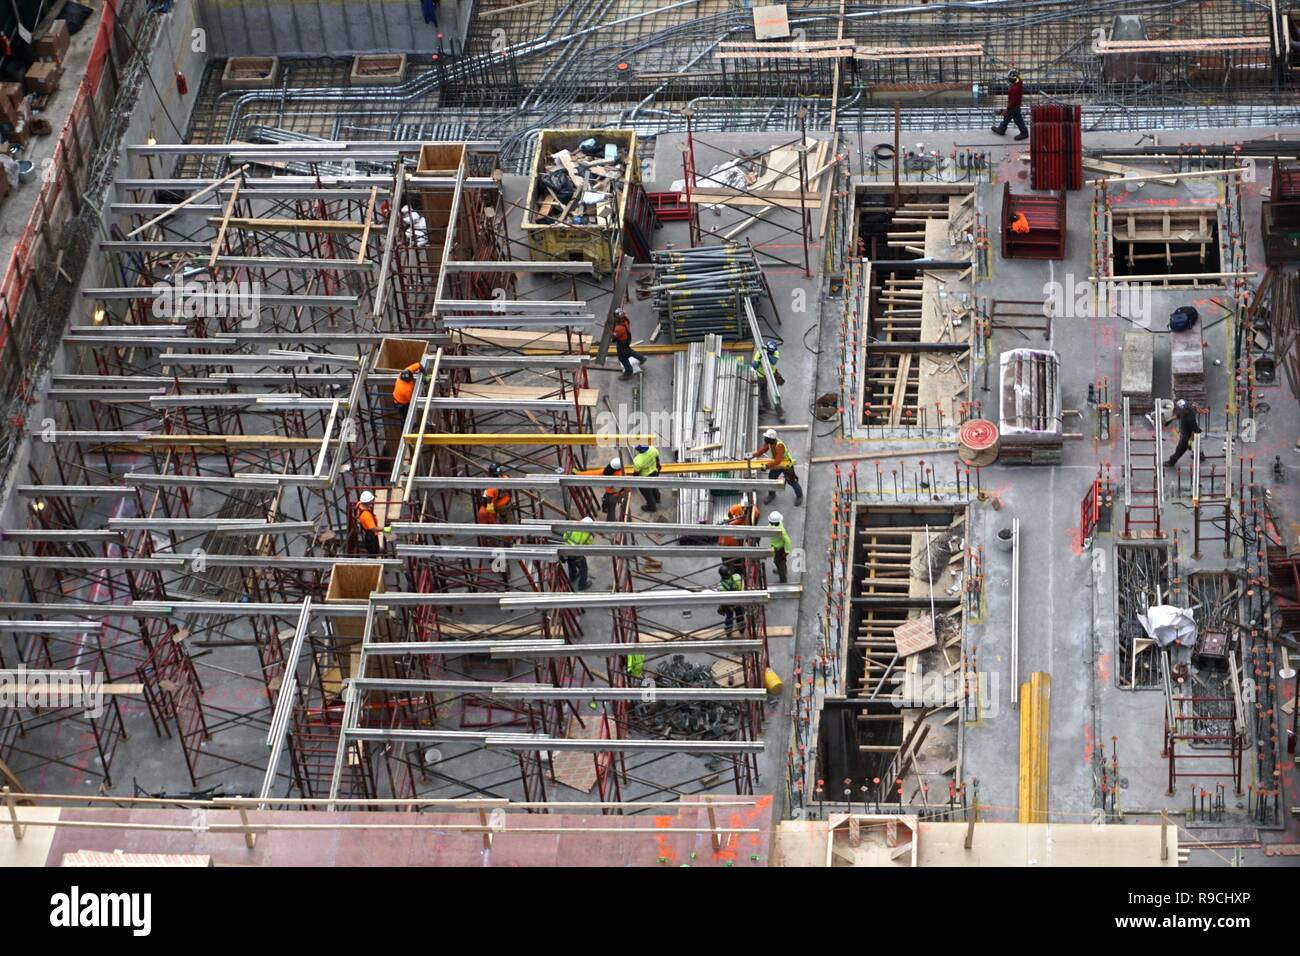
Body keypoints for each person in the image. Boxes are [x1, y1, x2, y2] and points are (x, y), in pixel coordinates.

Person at [751, 428, 803, 506]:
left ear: (771, 439)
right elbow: (763, 449)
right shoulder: (769, 442)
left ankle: (799, 496)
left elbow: (778, 460)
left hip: (786, 465)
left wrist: (766, 466)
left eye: (767, 438)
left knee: (791, 481)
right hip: (776, 465)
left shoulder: (779, 445)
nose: (765, 439)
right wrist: (752, 455)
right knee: (771, 479)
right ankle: (772, 494)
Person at [1164, 398, 1203, 468]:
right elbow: (1178, 415)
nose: (1178, 411)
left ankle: (1171, 461)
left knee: (1180, 449)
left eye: (1180, 410)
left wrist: (1190, 440)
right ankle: (1201, 455)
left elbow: (1195, 430)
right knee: (1195, 446)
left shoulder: (1190, 418)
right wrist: (1169, 420)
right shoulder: (1184, 411)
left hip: (1188, 435)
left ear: (1185, 410)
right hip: (1185, 431)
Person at [611, 308, 648, 381]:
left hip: (622, 342)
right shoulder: (625, 319)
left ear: (618, 318)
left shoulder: (618, 328)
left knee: (622, 358)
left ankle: (629, 373)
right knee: (629, 351)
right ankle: (641, 358)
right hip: (627, 338)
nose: (614, 318)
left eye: (615, 317)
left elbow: (613, 337)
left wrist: (610, 332)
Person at [991, 69, 1028, 141]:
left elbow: (1012, 101)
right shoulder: (1019, 84)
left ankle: (1024, 133)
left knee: (1017, 120)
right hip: (1015, 106)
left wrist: (1007, 109)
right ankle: (1002, 128)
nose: (1008, 80)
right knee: (1008, 117)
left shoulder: (1014, 89)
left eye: (1009, 78)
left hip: (1014, 107)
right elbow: (1020, 79)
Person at [562, 516, 595, 590]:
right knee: (584, 568)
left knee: (571, 564)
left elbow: (564, 537)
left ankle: (572, 577)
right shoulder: (589, 536)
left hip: (567, 551)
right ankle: (582, 585)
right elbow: (586, 548)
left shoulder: (572, 528)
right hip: (577, 555)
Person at [752, 339, 782, 411]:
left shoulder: (775, 353)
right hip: (762, 376)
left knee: (775, 390)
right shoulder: (759, 353)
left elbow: (773, 361)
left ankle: (778, 407)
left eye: (772, 351)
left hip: (772, 373)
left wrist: (767, 354)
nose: (772, 352)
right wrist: (758, 361)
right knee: (763, 391)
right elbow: (754, 366)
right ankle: (767, 405)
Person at [631, 443, 662, 512]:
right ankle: (657, 498)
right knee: (654, 486)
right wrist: (658, 468)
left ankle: (652, 507)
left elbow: (636, 473)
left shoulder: (637, 460)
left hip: (645, 478)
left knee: (647, 493)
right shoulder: (653, 449)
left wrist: (634, 481)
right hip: (654, 472)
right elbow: (657, 460)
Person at [716, 565, 745, 636]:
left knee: (729, 618)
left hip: (728, 605)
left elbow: (721, 598)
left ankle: (728, 632)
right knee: (740, 616)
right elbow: (742, 584)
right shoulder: (737, 577)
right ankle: (742, 630)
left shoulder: (720, 586)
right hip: (738, 602)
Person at [354, 490, 385, 556]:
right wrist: (387, 529)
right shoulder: (366, 515)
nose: (372, 502)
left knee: (373, 549)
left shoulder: (359, 504)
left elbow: (357, 516)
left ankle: (377, 551)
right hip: (370, 536)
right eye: (371, 500)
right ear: (368, 502)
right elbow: (374, 529)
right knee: (373, 553)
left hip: (366, 531)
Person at [768, 511, 792, 584]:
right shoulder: (775, 524)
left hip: (779, 550)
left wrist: (787, 551)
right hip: (776, 548)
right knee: (780, 562)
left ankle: (783, 579)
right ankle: (782, 571)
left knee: (779, 562)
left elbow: (788, 541)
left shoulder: (781, 531)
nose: (770, 523)